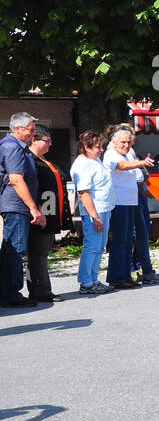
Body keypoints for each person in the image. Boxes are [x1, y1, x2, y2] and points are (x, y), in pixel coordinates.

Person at [0, 111, 44, 306]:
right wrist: (33, 208)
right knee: (15, 251)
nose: (33, 134)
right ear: (17, 129)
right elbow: (16, 179)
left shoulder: (15, 146)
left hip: (15, 204)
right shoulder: (13, 147)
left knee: (11, 250)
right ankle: (11, 295)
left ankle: (7, 292)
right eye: (31, 130)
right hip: (16, 205)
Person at [104, 126, 154, 288]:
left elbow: (138, 175)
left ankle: (125, 275)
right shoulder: (111, 153)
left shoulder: (129, 152)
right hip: (119, 202)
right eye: (123, 142)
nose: (126, 145)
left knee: (127, 241)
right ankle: (116, 277)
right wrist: (141, 162)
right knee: (119, 241)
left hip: (132, 201)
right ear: (114, 142)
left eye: (128, 142)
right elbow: (123, 166)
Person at [26, 125, 70, 302]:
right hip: (40, 214)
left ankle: (40, 289)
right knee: (38, 253)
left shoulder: (45, 160)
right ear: (34, 140)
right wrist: (36, 210)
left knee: (42, 252)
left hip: (51, 213)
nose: (51, 144)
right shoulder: (30, 160)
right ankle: (41, 291)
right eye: (47, 140)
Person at [70, 131, 115, 295]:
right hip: (94, 211)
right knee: (92, 246)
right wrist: (95, 217)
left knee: (100, 246)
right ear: (86, 147)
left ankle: (94, 279)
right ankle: (86, 282)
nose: (101, 150)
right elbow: (84, 193)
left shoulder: (95, 160)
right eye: (98, 147)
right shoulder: (82, 164)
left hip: (104, 208)